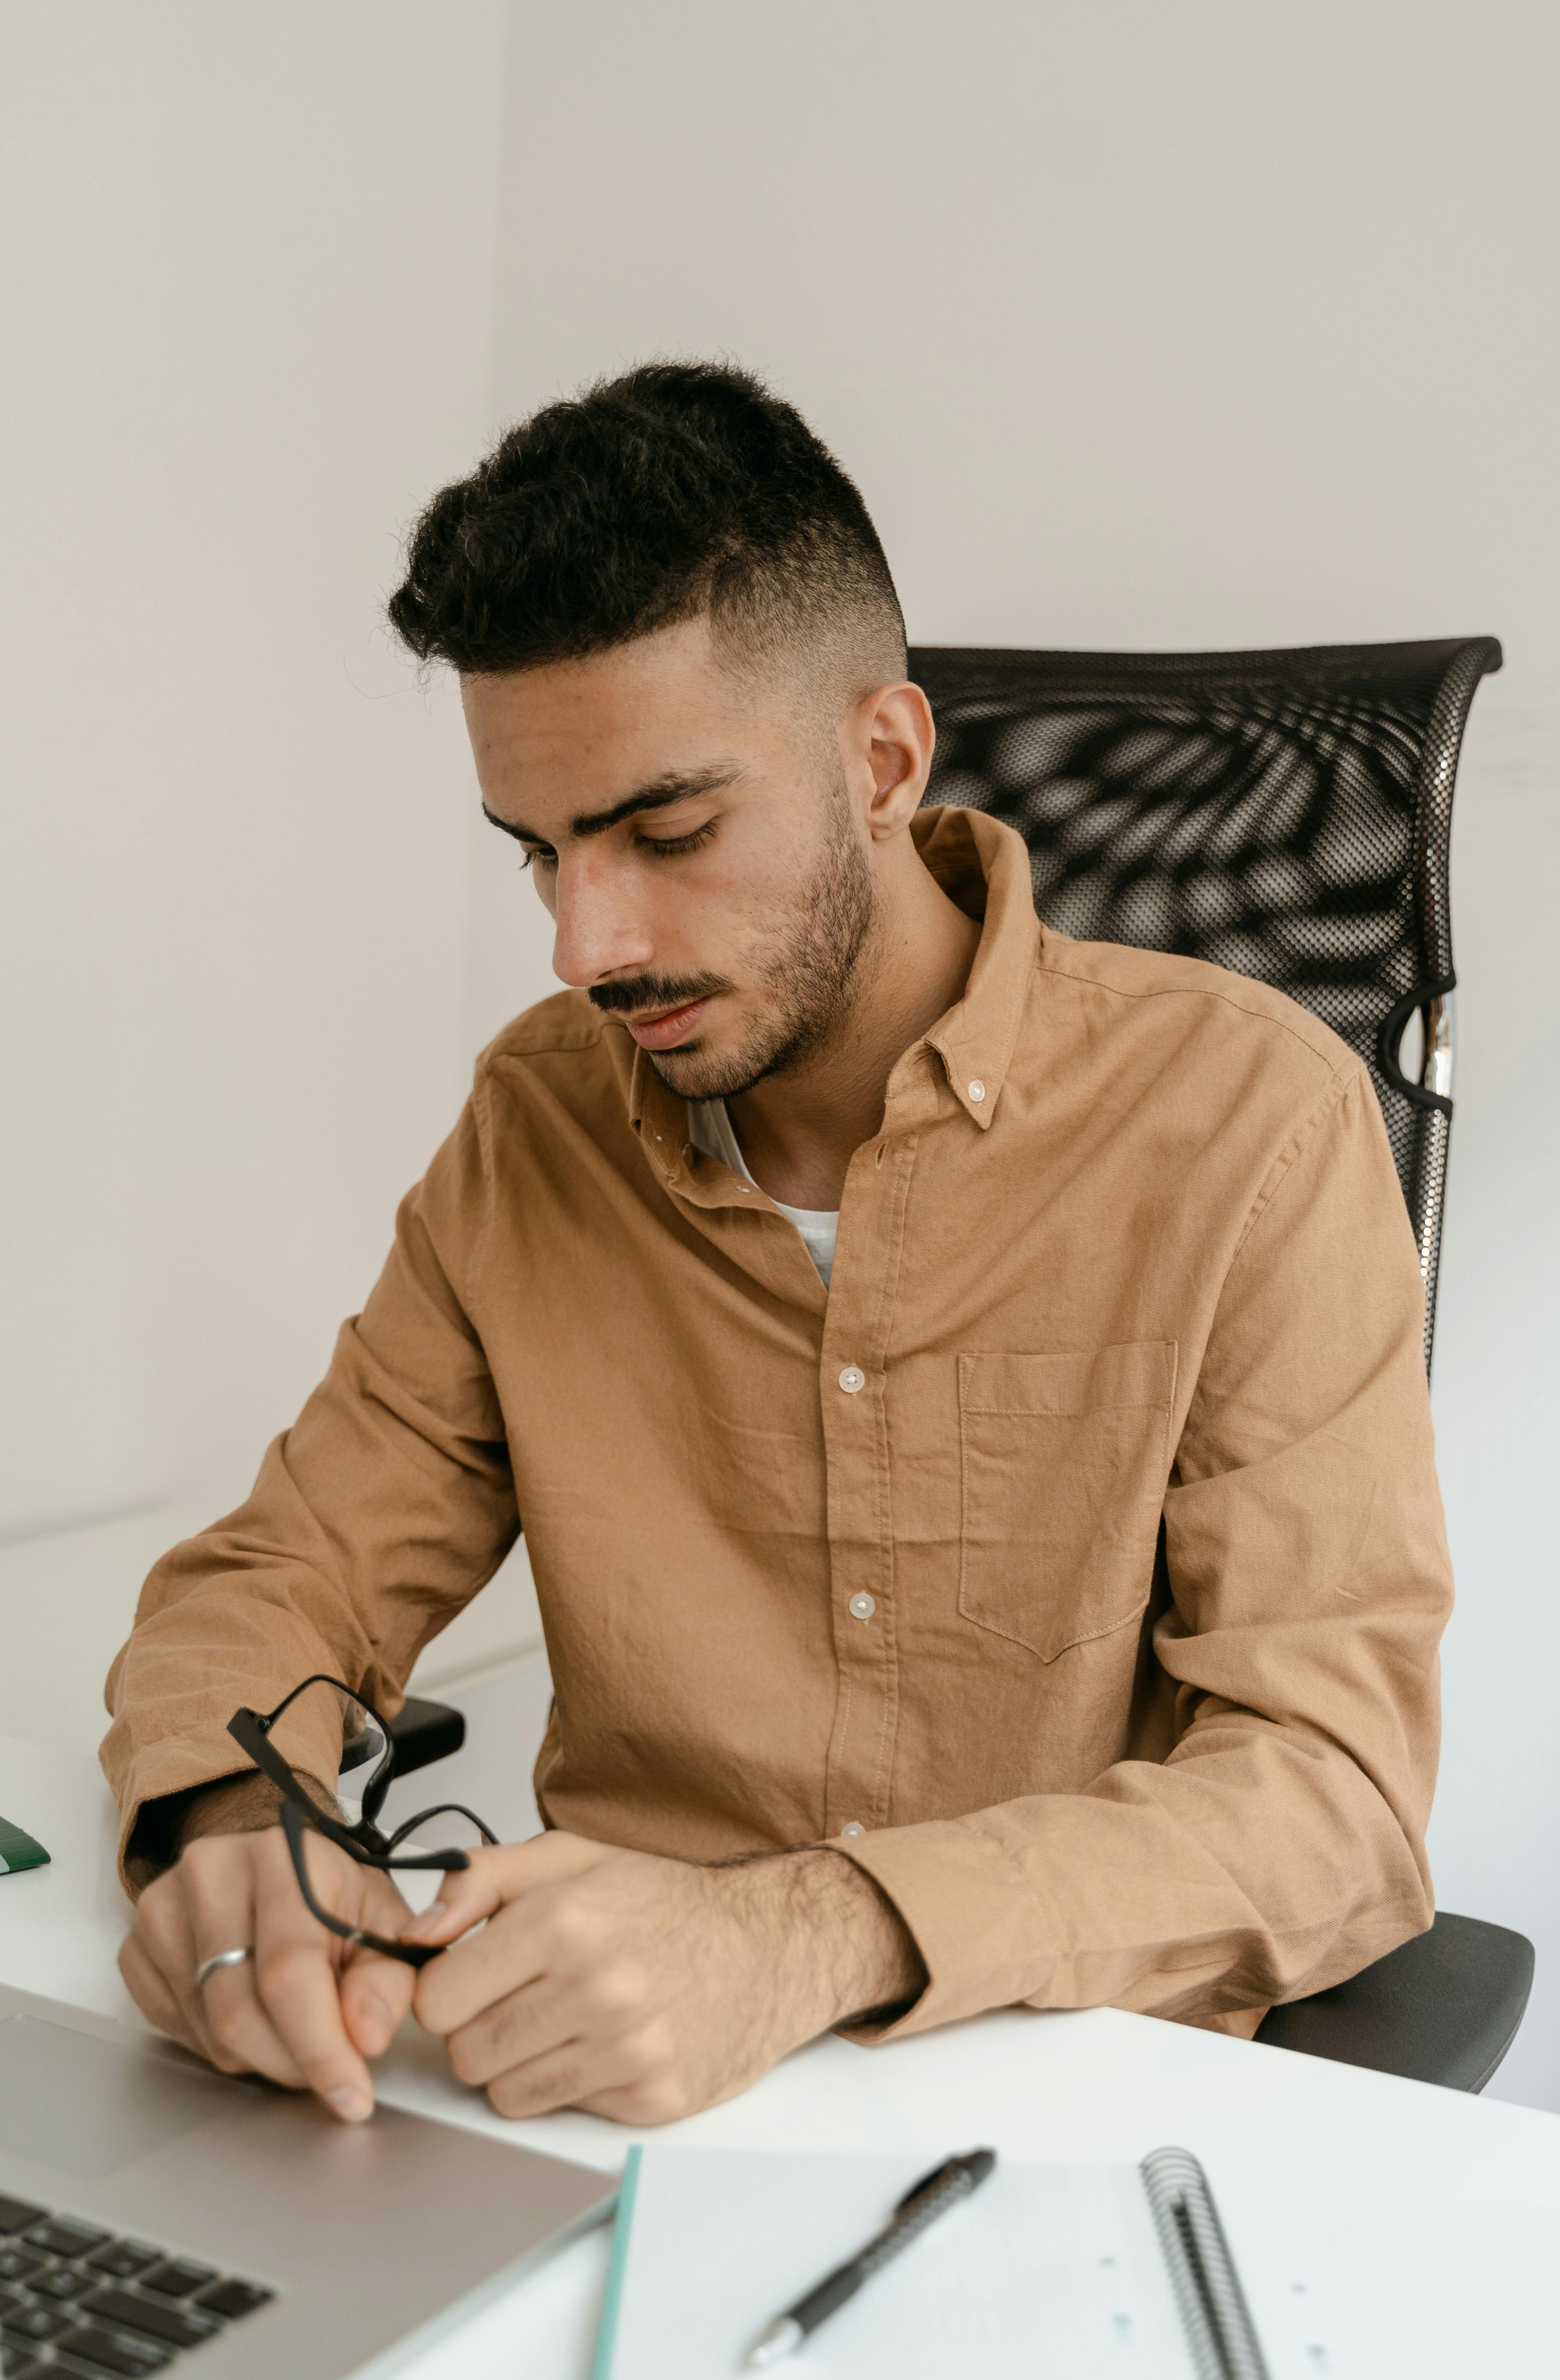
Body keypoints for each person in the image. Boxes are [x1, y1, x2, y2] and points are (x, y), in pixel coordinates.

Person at [104, 362, 1452, 2130]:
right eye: (540, 851)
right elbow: (282, 1578)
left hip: (1058, 2114)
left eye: (667, 832)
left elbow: (1334, 1794)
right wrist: (232, 1831)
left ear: (883, 760)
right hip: (597, 2114)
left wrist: (806, 1934)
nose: (587, 943)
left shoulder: (1251, 1122)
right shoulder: (541, 1120)